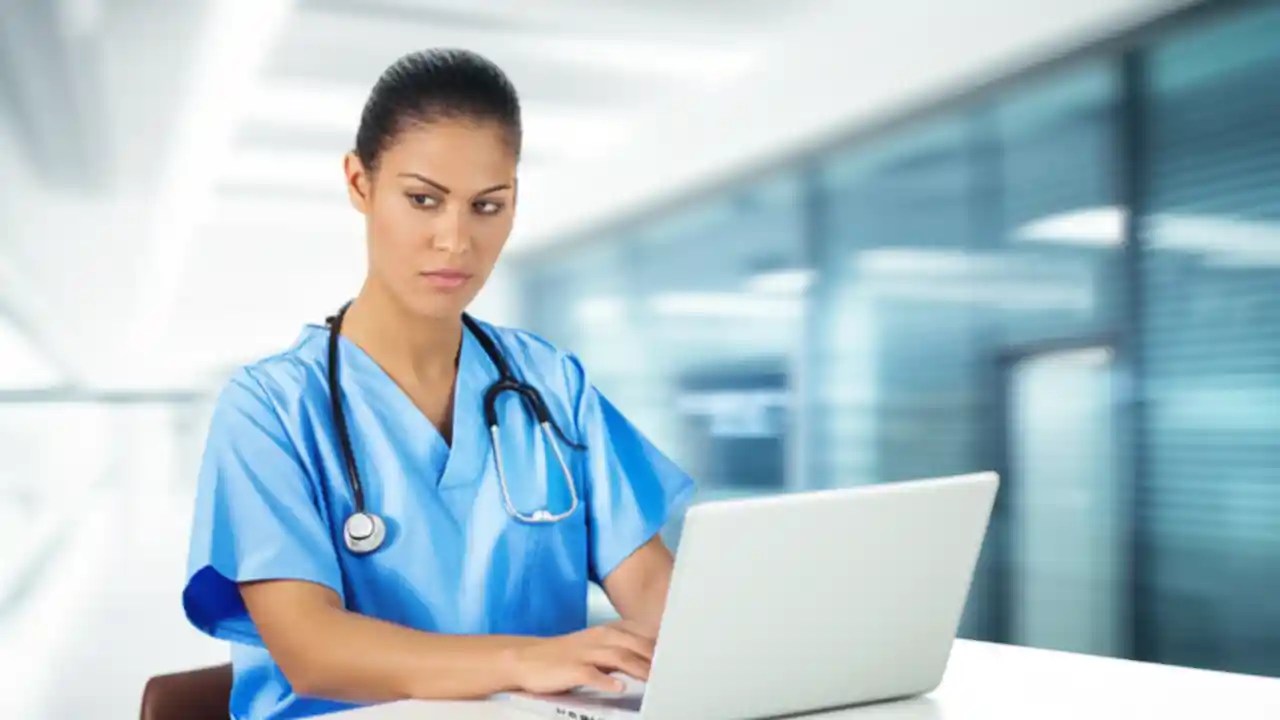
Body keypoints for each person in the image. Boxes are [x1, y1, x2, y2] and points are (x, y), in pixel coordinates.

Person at [182, 48, 695, 719]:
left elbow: (662, 600)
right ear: (360, 184)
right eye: (424, 200)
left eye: (488, 206)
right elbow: (313, 651)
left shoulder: (550, 385)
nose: (455, 240)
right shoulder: (269, 409)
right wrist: (523, 661)